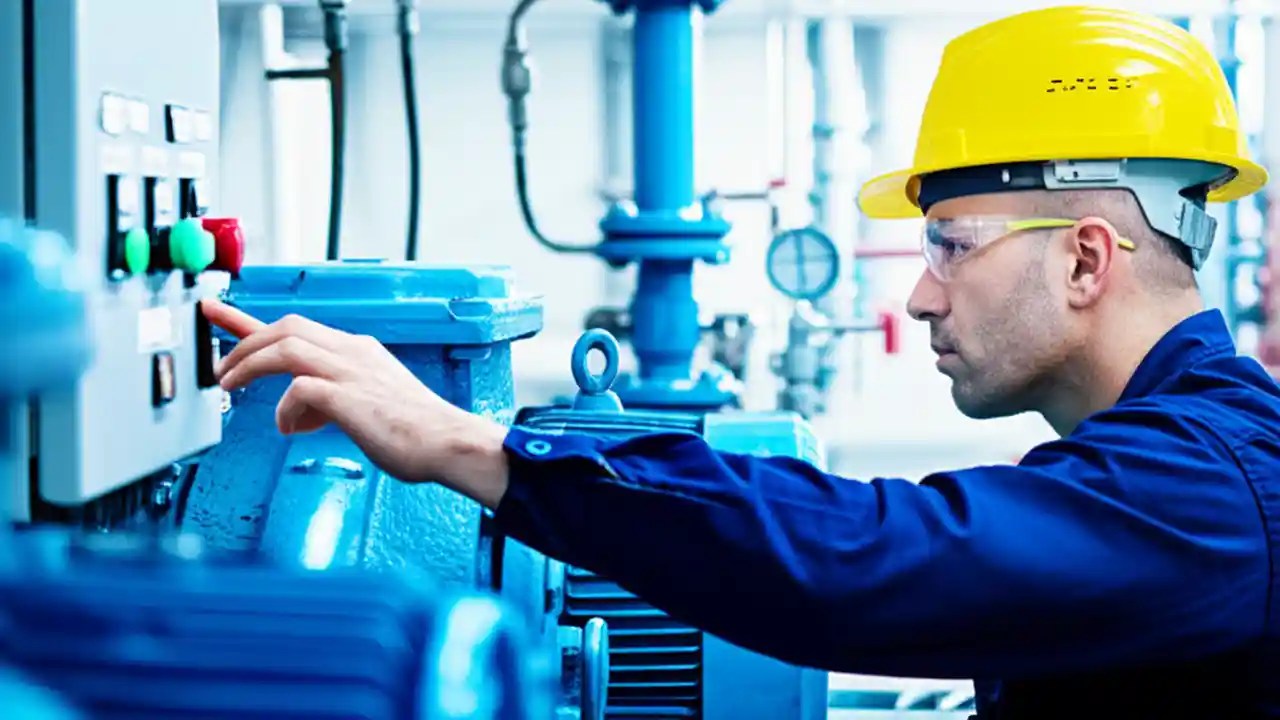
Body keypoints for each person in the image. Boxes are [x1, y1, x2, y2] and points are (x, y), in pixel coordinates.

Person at [201, 6, 1280, 719]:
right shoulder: (1182, 465)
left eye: (949, 245)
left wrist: (481, 449)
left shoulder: (1206, 492)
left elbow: (870, 556)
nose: (917, 292)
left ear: (1086, 260)